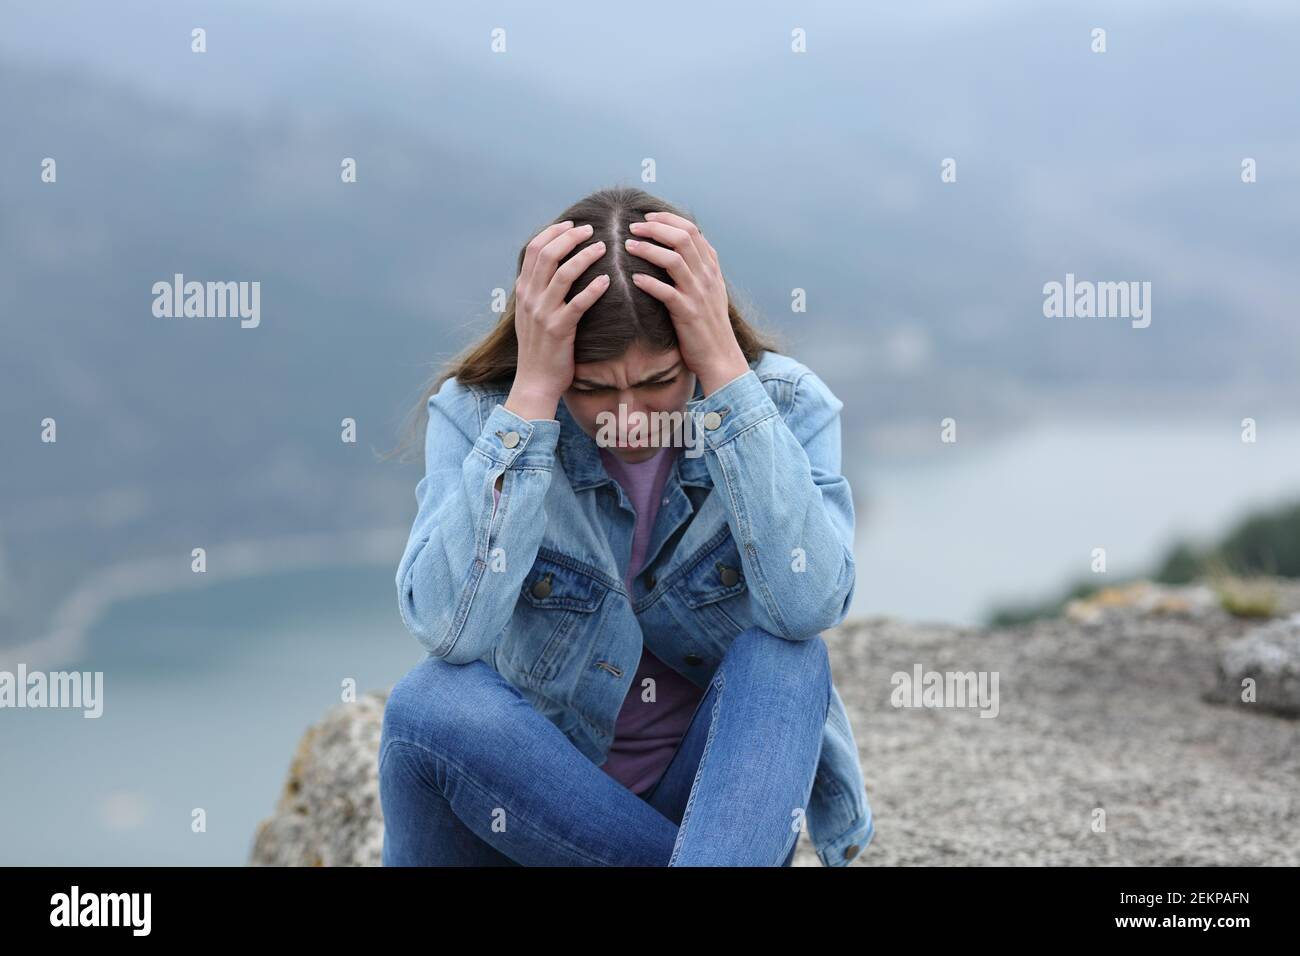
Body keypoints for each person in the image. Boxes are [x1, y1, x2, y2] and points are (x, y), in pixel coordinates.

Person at [379, 185, 874, 866]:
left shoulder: (785, 406)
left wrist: (727, 376)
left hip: (713, 821)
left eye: (659, 381)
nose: (628, 418)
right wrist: (531, 399)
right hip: (525, 825)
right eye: (591, 388)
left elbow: (808, 604)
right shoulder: (480, 416)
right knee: (430, 703)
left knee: (786, 659)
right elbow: (447, 629)